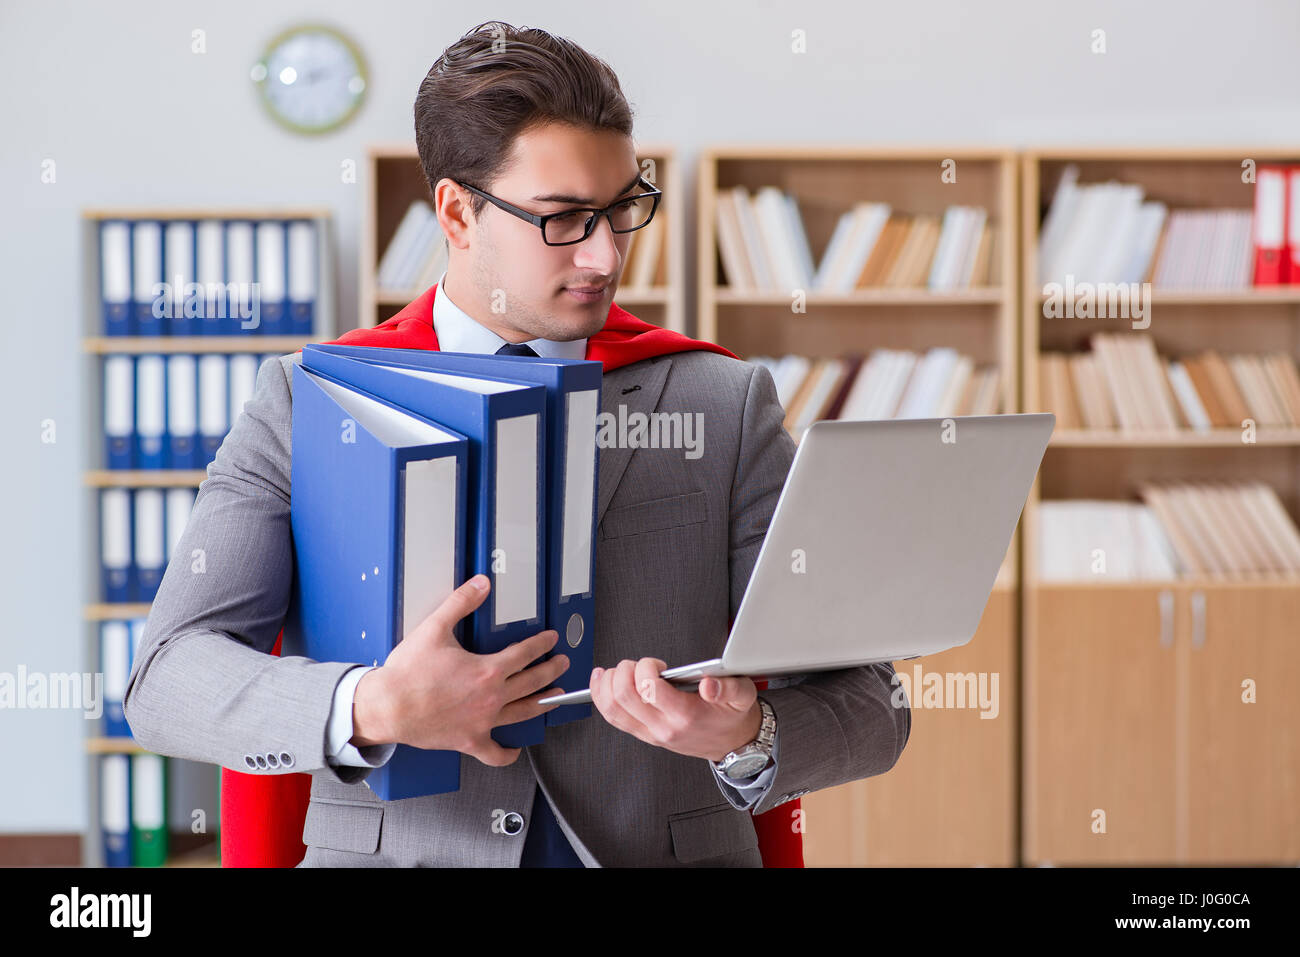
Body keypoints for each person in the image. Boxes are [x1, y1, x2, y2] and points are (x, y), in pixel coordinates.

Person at [124, 20, 910, 867]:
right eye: (565, 218)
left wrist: (751, 732)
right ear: (457, 212)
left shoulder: (721, 402)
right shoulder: (307, 400)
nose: (607, 254)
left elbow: (873, 703)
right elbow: (167, 679)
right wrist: (374, 704)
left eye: (622, 209)